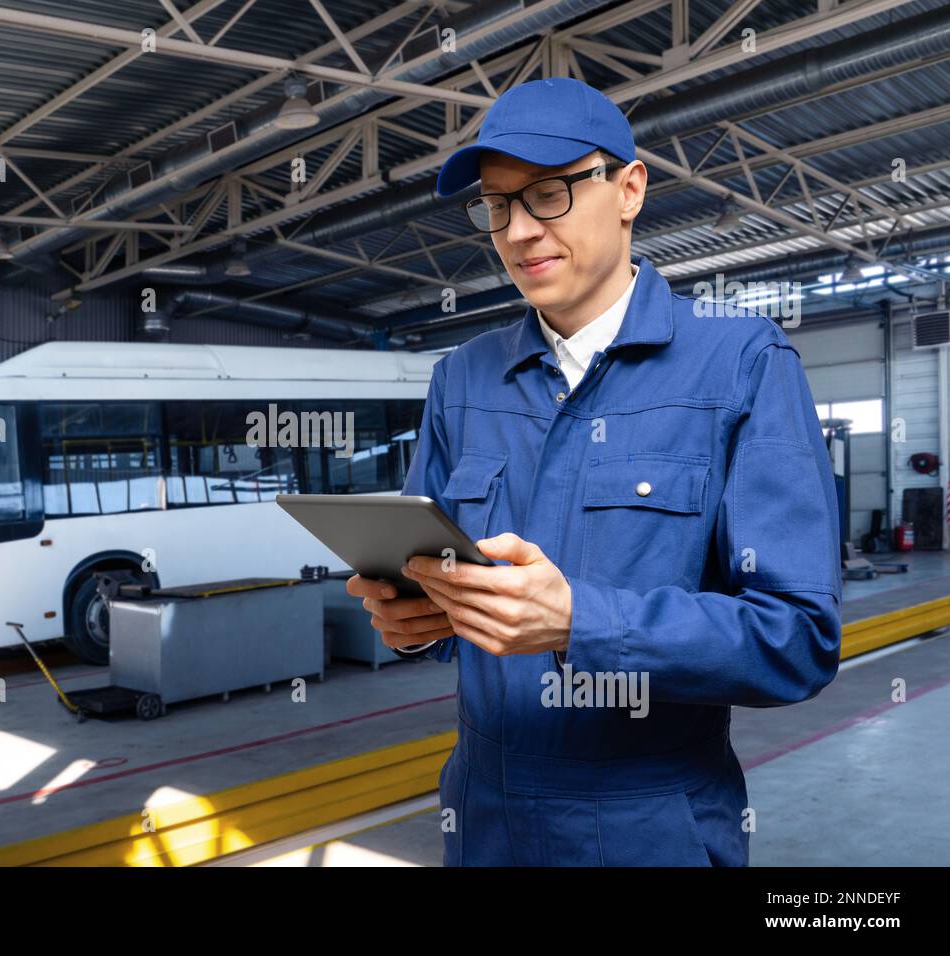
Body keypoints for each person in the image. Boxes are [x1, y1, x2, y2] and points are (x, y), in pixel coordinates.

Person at [346, 77, 842, 866]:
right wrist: (416, 624)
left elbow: (799, 641)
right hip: (484, 824)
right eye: (496, 205)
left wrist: (583, 622)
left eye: (548, 194)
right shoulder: (463, 380)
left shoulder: (741, 362)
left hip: (650, 828)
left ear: (629, 188)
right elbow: (440, 585)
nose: (517, 231)